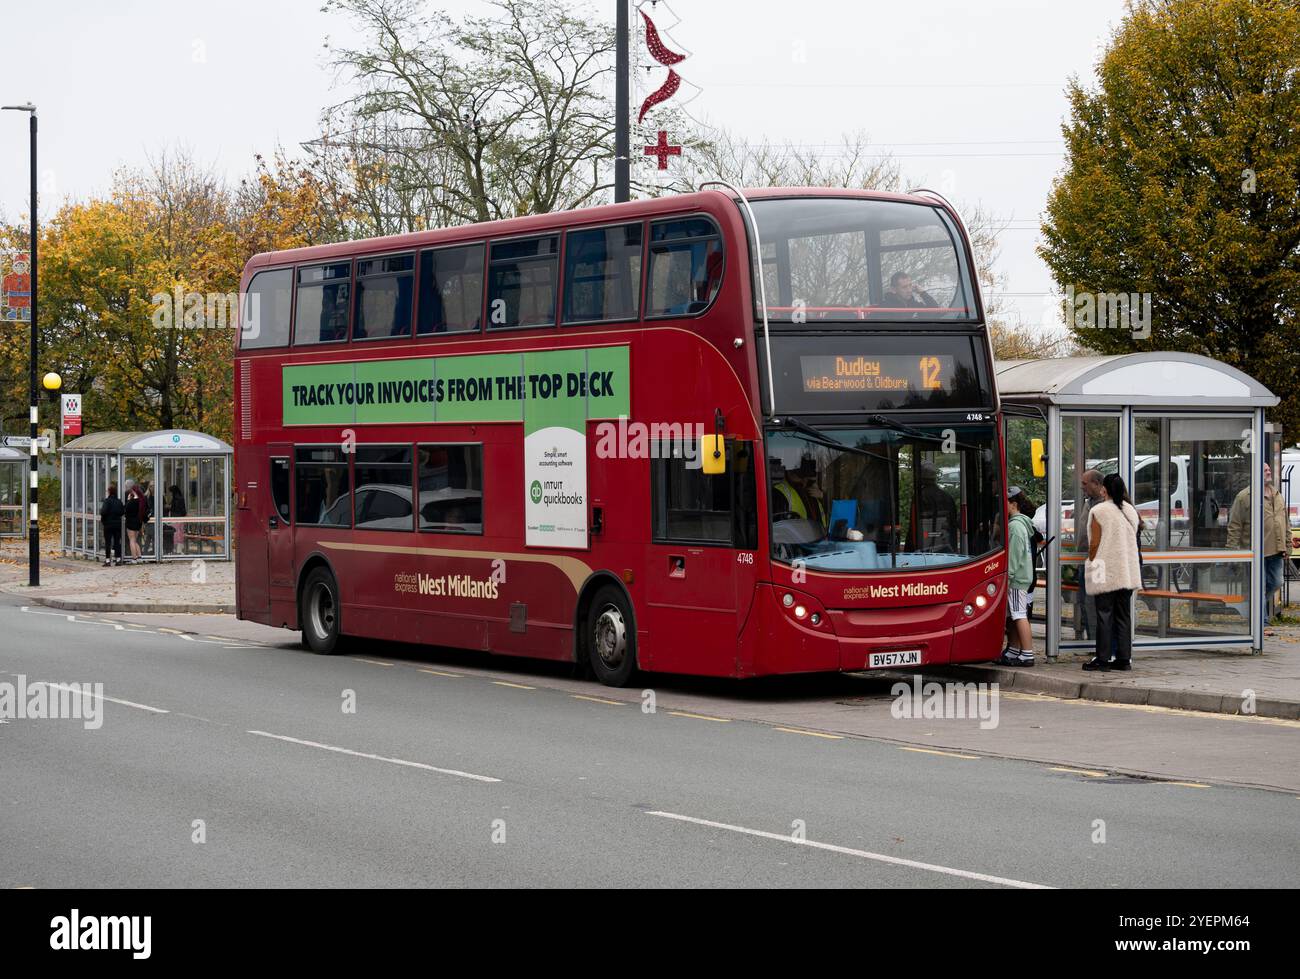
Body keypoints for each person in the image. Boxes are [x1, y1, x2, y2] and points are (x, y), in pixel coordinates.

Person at [1083, 474, 1143, 671]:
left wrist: (1090, 561)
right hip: (1127, 570)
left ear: (1104, 490)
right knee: (1123, 616)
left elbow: (1094, 543)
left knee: (1104, 615)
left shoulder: (1099, 510)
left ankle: (1103, 658)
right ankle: (1124, 659)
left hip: (1105, 569)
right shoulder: (1131, 511)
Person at [1226, 462, 1291, 609]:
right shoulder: (1244, 497)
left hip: (1276, 550)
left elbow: (1285, 521)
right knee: (1258, 587)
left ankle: (1251, 607)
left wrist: (1287, 544)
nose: (1268, 472)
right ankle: (1262, 622)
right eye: (1264, 470)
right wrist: (1231, 552)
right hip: (1255, 552)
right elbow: (1234, 526)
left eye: (1269, 470)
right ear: (1255, 473)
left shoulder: (1277, 494)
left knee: (1277, 582)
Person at [1000, 487, 1037, 666]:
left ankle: (1027, 654)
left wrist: (1007, 578)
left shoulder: (1015, 526)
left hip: (1016, 580)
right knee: (1013, 615)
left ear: (1013, 505)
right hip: (1022, 577)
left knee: (1019, 615)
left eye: (1005, 503)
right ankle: (1015, 650)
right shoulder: (1022, 524)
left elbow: (1013, 557)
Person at [1075, 469, 1106, 640]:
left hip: (1096, 562)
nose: (1082, 487)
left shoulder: (1104, 505)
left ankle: (1098, 642)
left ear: (1096, 484)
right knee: (1085, 603)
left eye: (1085, 484)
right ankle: (1092, 639)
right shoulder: (1089, 502)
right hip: (1084, 561)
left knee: (1093, 603)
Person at [99, 482, 124, 567]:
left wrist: (104, 515)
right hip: (117, 525)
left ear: (109, 492)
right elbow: (122, 512)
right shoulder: (119, 501)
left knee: (108, 543)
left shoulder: (107, 501)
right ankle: (118, 560)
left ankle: (108, 560)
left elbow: (103, 512)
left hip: (108, 525)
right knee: (117, 542)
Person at [123, 480, 143, 560]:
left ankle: (134, 558)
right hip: (138, 521)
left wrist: (128, 500)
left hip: (131, 521)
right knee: (135, 540)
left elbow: (126, 509)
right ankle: (140, 557)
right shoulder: (140, 498)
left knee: (131, 540)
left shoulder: (131, 500)